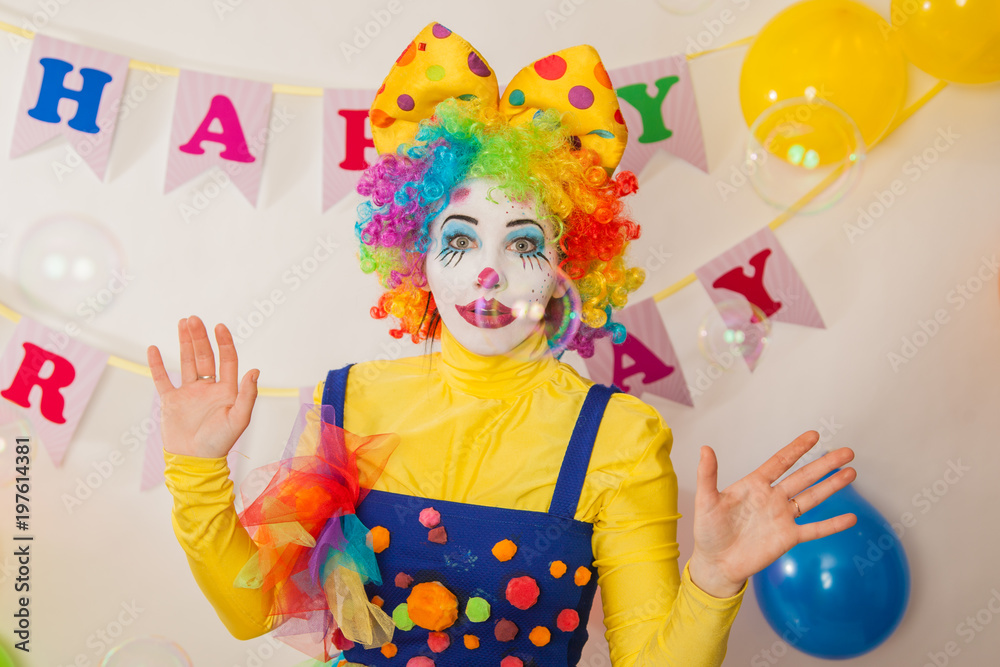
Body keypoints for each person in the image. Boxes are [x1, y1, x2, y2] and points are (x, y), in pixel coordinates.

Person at [147, 23, 858, 667]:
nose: (488, 271)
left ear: (567, 265)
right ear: (416, 255)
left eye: (522, 243)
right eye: (458, 240)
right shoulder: (350, 399)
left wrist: (712, 581)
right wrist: (198, 472)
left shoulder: (621, 436)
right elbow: (253, 611)